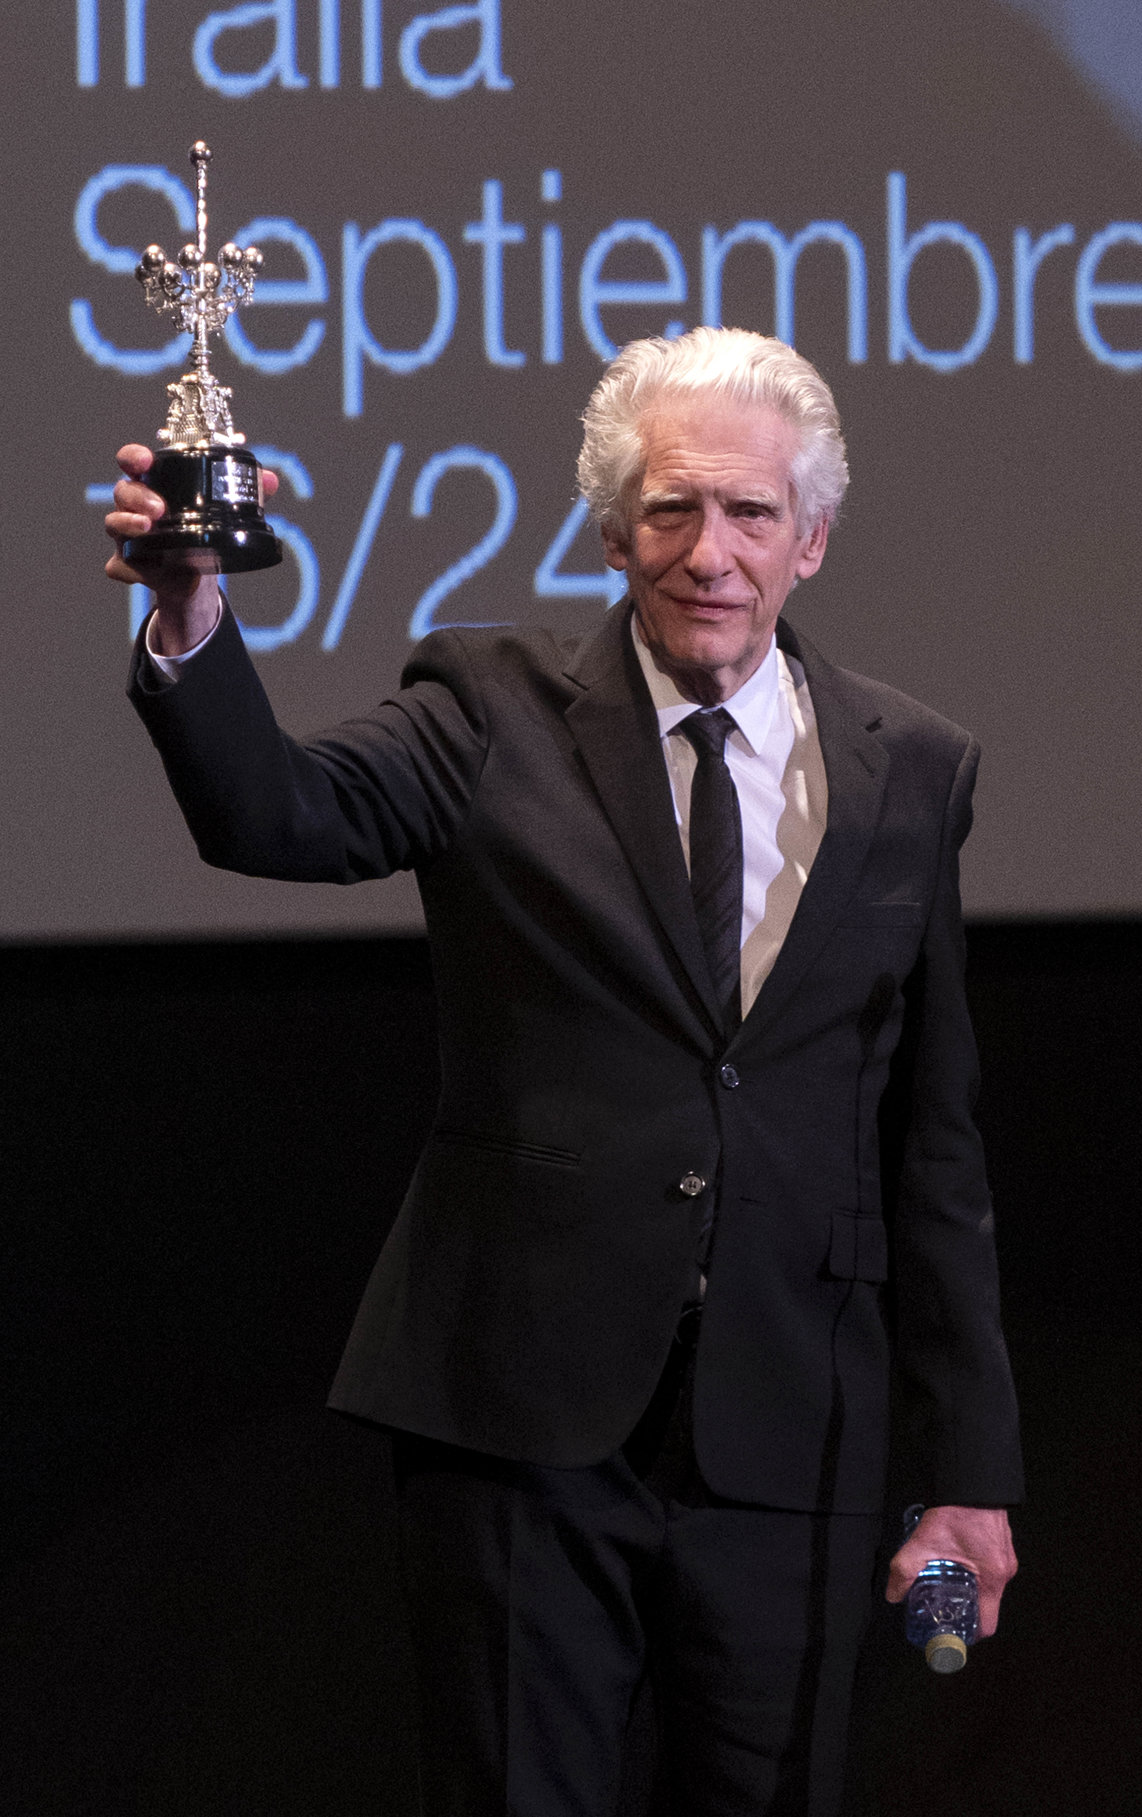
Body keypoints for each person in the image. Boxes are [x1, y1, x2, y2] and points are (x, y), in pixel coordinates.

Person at [105, 327, 1022, 1817]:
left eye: (750, 513)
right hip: (522, 1418)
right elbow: (278, 814)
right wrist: (191, 615)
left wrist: (969, 1466)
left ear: (811, 540)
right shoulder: (489, 706)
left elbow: (935, 1144)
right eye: (671, 510)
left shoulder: (912, 767)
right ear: (611, 531)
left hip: (792, 1421)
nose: (710, 552)